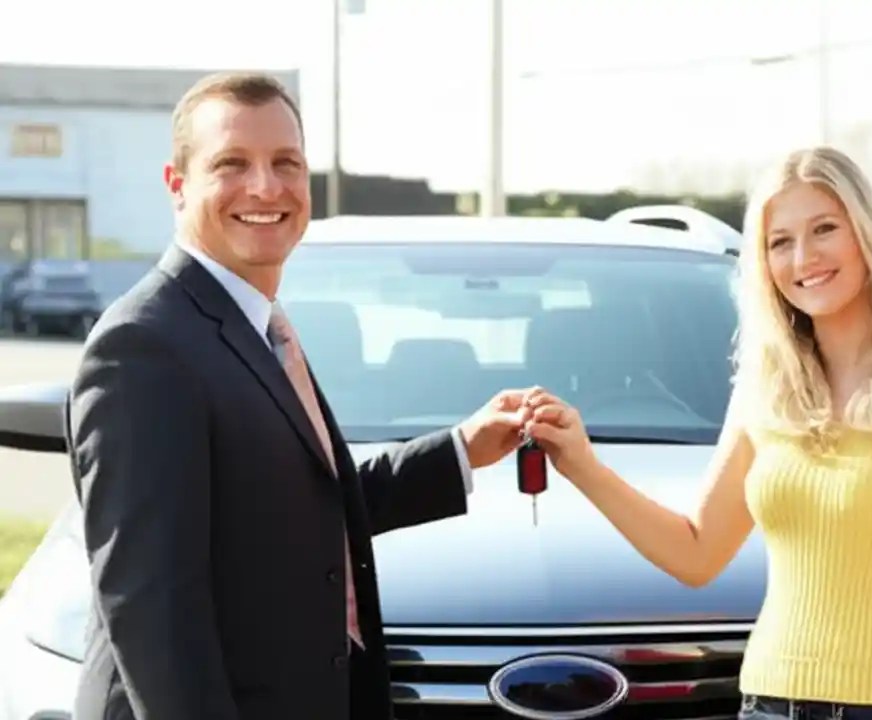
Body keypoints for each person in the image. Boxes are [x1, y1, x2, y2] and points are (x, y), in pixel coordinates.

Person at [65, 72, 532, 720]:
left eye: (286, 162)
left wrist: (459, 451)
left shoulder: (252, 324)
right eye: (232, 164)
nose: (265, 187)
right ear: (177, 186)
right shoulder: (143, 349)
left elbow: (295, 505)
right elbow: (152, 611)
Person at [523, 146, 872, 719]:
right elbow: (697, 553)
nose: (804, 257)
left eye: (825, 229)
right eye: (780, 242)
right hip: (770, 701)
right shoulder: (766, 392)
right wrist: (582, 464)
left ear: (867, 236)